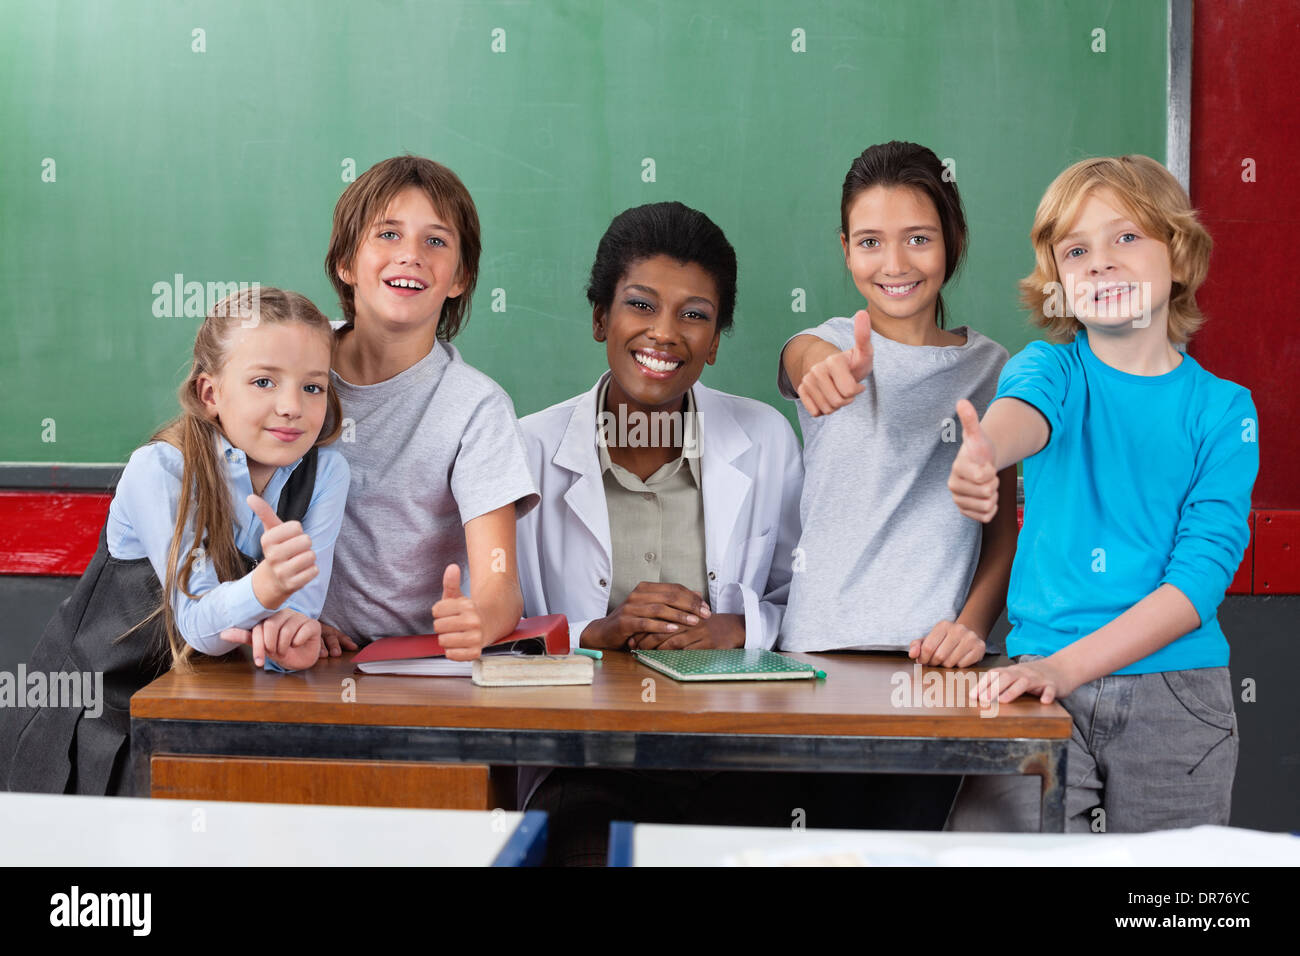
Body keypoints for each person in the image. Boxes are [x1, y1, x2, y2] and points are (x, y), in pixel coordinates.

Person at [945, 155, 1258, 832]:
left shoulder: (1224, 411)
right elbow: (1020, 417)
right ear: (1057, 279)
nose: (1101, 262)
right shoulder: (1050, 368)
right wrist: (984, 453)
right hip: (1038, 685)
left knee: (1167, 905)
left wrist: (1066, 668)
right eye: (1077, 249)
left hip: (1179, 697)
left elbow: (1196, 585)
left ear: (1177, 255)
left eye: (1126, 238)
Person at [515, 201, 803, 864]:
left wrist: (738, 628)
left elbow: (808, 595)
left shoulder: (764, 438)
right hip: (583, 762)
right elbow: (494, 628)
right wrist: (598, 632)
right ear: (600, 319)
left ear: (717, 339)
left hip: (736, 756)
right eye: (641, 305)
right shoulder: (525, 446)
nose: (665, 334)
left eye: (695, 315)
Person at [0, 286, 349, 796]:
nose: (292, 406)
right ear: (211, 394)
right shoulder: (162, 468)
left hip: (192, 712)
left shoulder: (328, 473)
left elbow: (297, 614)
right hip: (94, 721)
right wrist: (267, 589)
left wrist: (290, 644)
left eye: (313, 387)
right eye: (263, 381)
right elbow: (200, 624)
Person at [775, 140, 1017, 828]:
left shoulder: (994, 369)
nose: (895, 264)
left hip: (933, 672)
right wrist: (822, 364)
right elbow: (799, 362)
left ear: (953, 240)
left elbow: (1002, 531)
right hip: (815, 664)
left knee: (908, 847)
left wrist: (973, 626)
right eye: (871, 242)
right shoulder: (826, 344)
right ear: (846, 249)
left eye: (918, 239)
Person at [317, 156, 538, 657]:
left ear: (459, 278)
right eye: (387, 234)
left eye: (435, 241)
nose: (410, 255)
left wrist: (476, 621)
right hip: (296, 653)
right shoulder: (291, 364)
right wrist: (277, 613)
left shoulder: (477, 408)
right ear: (345, 262)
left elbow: (499, 583)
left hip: (412, 665)